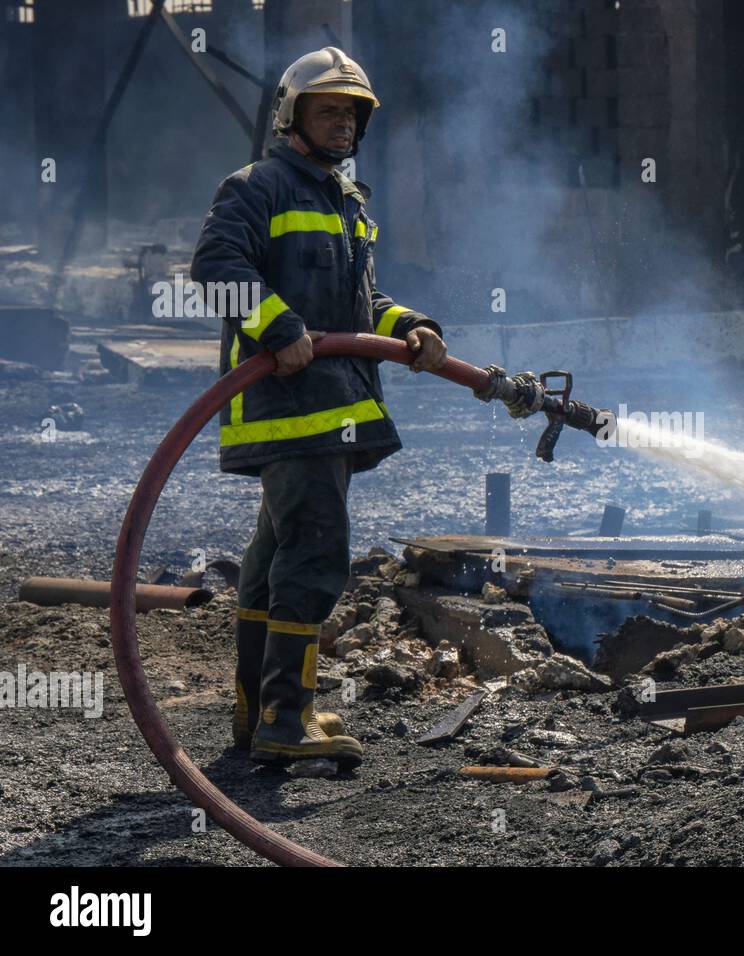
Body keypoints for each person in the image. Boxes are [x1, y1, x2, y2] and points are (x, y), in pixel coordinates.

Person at [190, 47, 447, 768]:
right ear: (292, 116)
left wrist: (414, 330)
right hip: (288, 413)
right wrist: (278, 328)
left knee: (273, 561)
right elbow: (216, 269)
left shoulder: (348, 202)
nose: (341, 123)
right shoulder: (256, 187)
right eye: (327, 109)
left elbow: (364, 306)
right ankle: (285, 721)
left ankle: (257, 710)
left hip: (329, 411)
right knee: (313, 557)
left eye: (351, 112)